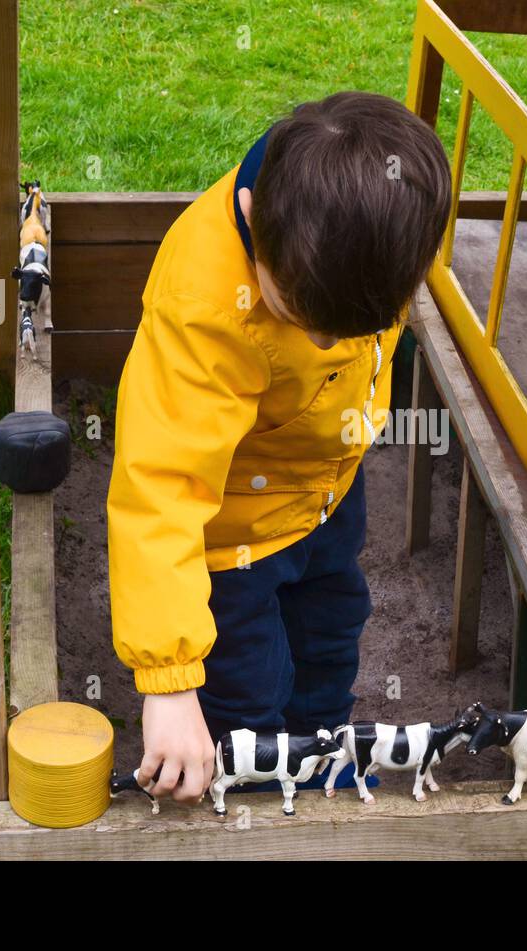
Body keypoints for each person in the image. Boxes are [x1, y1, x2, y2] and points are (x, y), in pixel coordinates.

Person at [107, 92, 452, 804]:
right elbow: (160, 487)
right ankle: (256, 796)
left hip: (327, 492)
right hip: (229, 537)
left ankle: (324, 762)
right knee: (248, 684)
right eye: (305, 321)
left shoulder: (374, 223)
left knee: (330, 639)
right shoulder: (203, 308)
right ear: (255, 234)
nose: (328, 343)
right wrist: (170, 684)